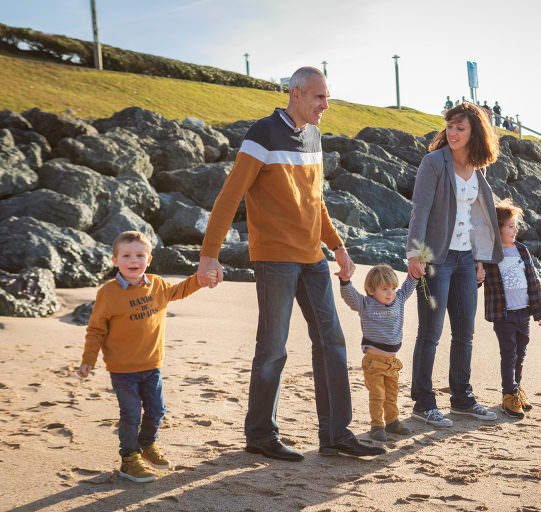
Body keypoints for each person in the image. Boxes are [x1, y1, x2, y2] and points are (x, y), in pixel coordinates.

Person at [196, 66, 384, 461]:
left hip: (312, 257)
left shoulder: (314, 136)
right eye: (319, 97)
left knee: (331, 341)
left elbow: (315, 202)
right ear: (295, 94)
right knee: (273, 347)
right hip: (274, 258)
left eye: (327, 97)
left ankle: (335, 434)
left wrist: (338, 246)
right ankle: (261, 435)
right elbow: (229, 197)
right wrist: (209, 254)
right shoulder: (261, 134)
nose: (326, 106)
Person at [77, 231, 205, 483]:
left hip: (152, 366)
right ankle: (129, 459)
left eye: (139, 255)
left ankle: (147, 444)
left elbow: (180, 290)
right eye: (126, 255)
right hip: (123, 370)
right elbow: (96, 329)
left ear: (148, 259)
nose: (133, 260)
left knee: (157, 410)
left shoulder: (157, 285)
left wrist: (200, 279)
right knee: (131, 413)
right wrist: (88, 360)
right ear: (115, 260)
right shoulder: (108, 293)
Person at [406, 102, 504, 427]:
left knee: (465, 333)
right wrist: (414, 253)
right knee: (430, 333)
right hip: (436, 258)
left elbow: (476, 217)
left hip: (465, 259)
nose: (453, 133)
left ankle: (461, 397)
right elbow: (419, 209)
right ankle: (423, 402)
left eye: (460, 128)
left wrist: (479, 259)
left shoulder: (478, 167)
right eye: (450, 126)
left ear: (474, 132)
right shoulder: (433, 163)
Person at [476, 200, 541, 418]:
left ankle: (516, 388)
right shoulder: (488, 254)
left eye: (515, 226)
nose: (515, 229)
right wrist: (477, 276)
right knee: (509, 354)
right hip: (503, 314)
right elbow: (477, 282)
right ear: (497, 229)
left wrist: (540, 310)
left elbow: (533, 281)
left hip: (523, 312)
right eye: (510, 226)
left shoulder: (521, 250)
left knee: (521, 354)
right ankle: (508, 395)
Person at [339, 264, 418, 441]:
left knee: (392, 393)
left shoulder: (398, 300)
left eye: (392, 288)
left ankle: (392, 421)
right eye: (384, 289)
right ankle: (376, 425)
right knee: (377, 395)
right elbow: (350, 296)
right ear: (371, 290)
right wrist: (345, 281)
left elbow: (408, 286)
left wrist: (415, 273)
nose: (390, 293)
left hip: (392, 362)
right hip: (374, 362)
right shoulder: (366, 304)